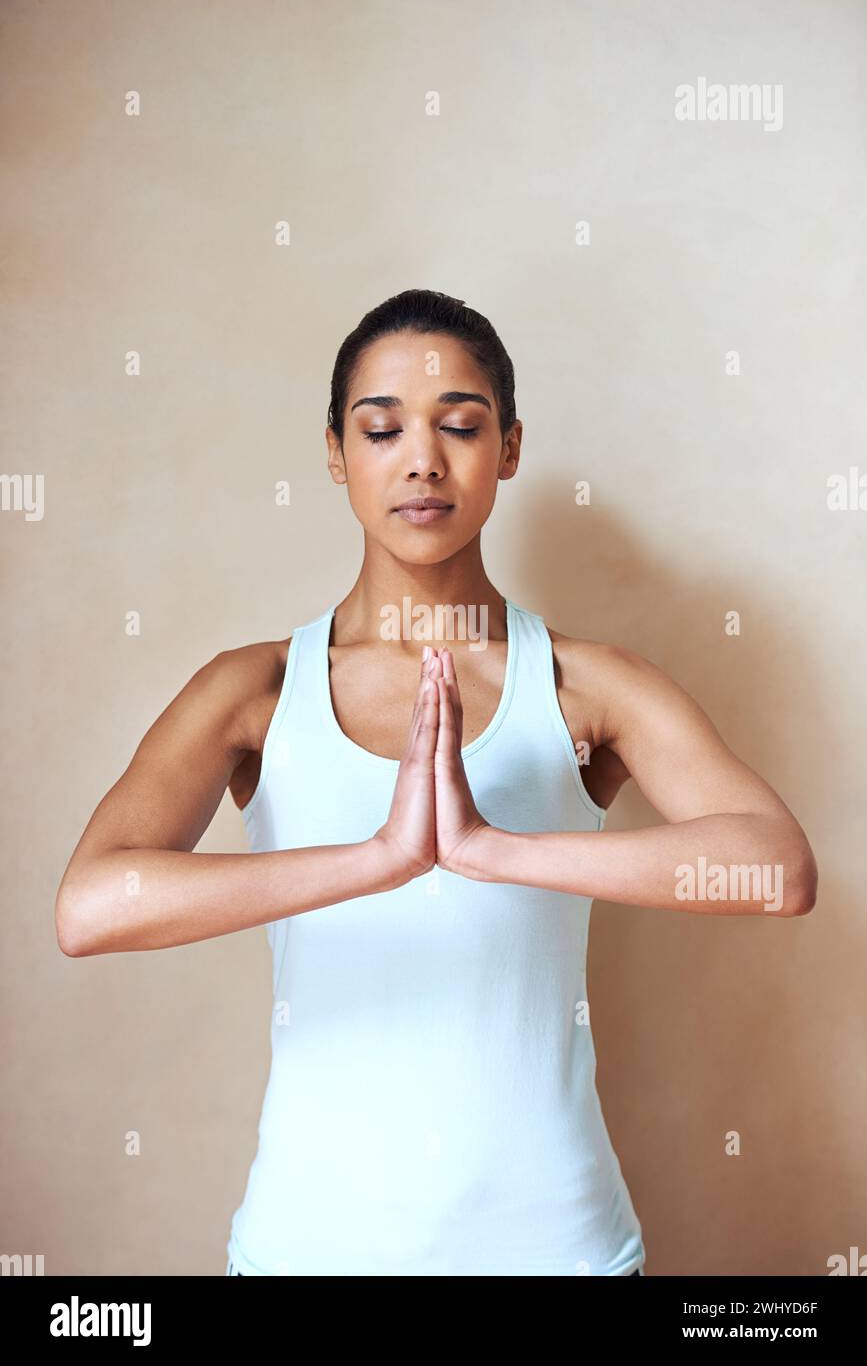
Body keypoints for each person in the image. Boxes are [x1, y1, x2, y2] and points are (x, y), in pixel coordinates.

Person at [55, 288, 818, 1277]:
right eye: (382, 429)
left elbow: (779, 871)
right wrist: (379, 859)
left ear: (507, 447)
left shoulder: (586, 686)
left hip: (560, 1253)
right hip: (305, 1251)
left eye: (460, 425)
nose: (422, 460)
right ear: (335, 452)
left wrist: (493, 850)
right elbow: (88, 907)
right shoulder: (258, 689)